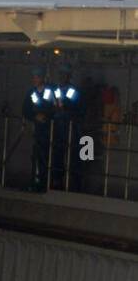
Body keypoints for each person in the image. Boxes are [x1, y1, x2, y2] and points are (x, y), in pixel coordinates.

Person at [52, 63, 85, 191]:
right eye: (60, 74)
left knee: (73, 156)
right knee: (57, 154)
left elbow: (68, 105)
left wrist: (60, 107)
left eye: (64, 74)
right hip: (58, 127)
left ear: (69, 76)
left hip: (70, 127)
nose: (62, 77)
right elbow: (53, 105)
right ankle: (57, 181)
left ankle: (74, 184)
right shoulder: (56, 89)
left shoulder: (72, 91)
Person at [22, 67, 52, 193]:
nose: (35, 79)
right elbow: (25, 110)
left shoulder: (49, 92)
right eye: (34, 77)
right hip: (38, 130)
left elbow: (52, 108)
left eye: (37, 77)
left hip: (48, 130)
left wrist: (44, 115)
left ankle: (45, 183)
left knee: (46, 156)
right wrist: (35, 116)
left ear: (42, 78)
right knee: (37, 156)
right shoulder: (31, 93)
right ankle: (36, 182)